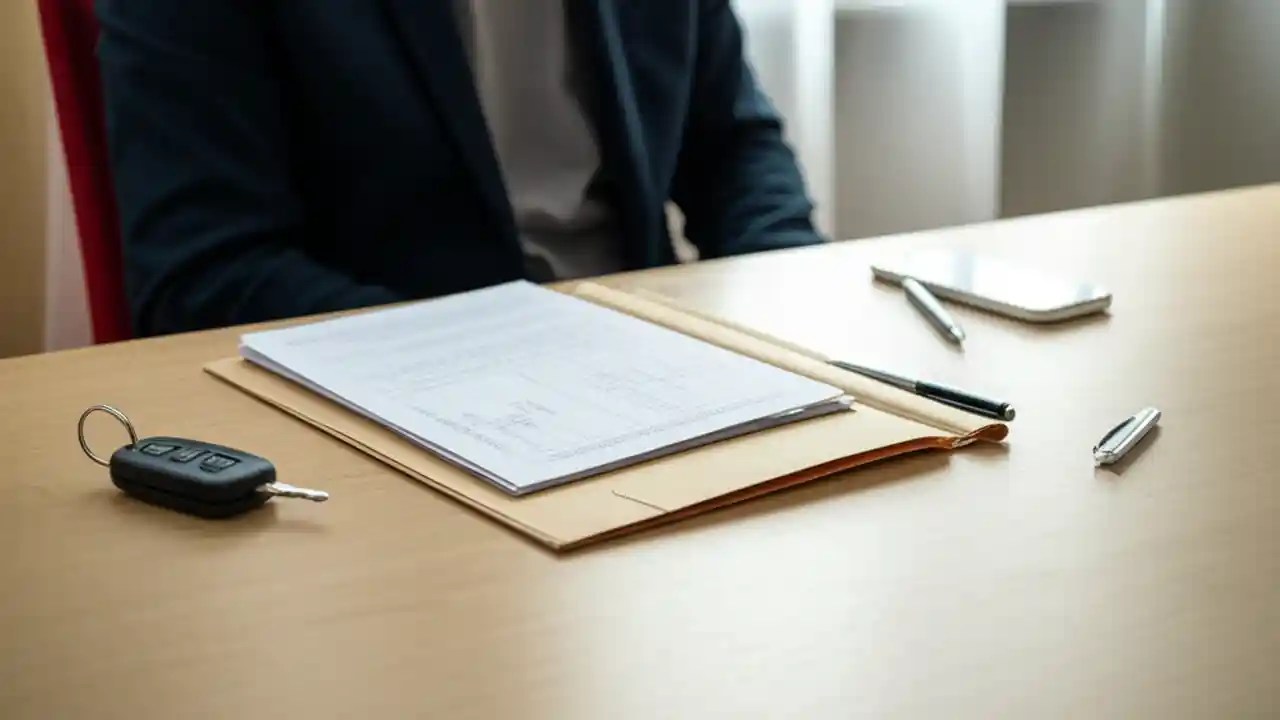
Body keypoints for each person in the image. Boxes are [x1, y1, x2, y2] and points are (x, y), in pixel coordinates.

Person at [97, 0, 825, 336]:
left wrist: (801, 311)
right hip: (382, 419)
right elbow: (203, 276)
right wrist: (498, 353)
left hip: (652, 376)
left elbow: (733, 148)